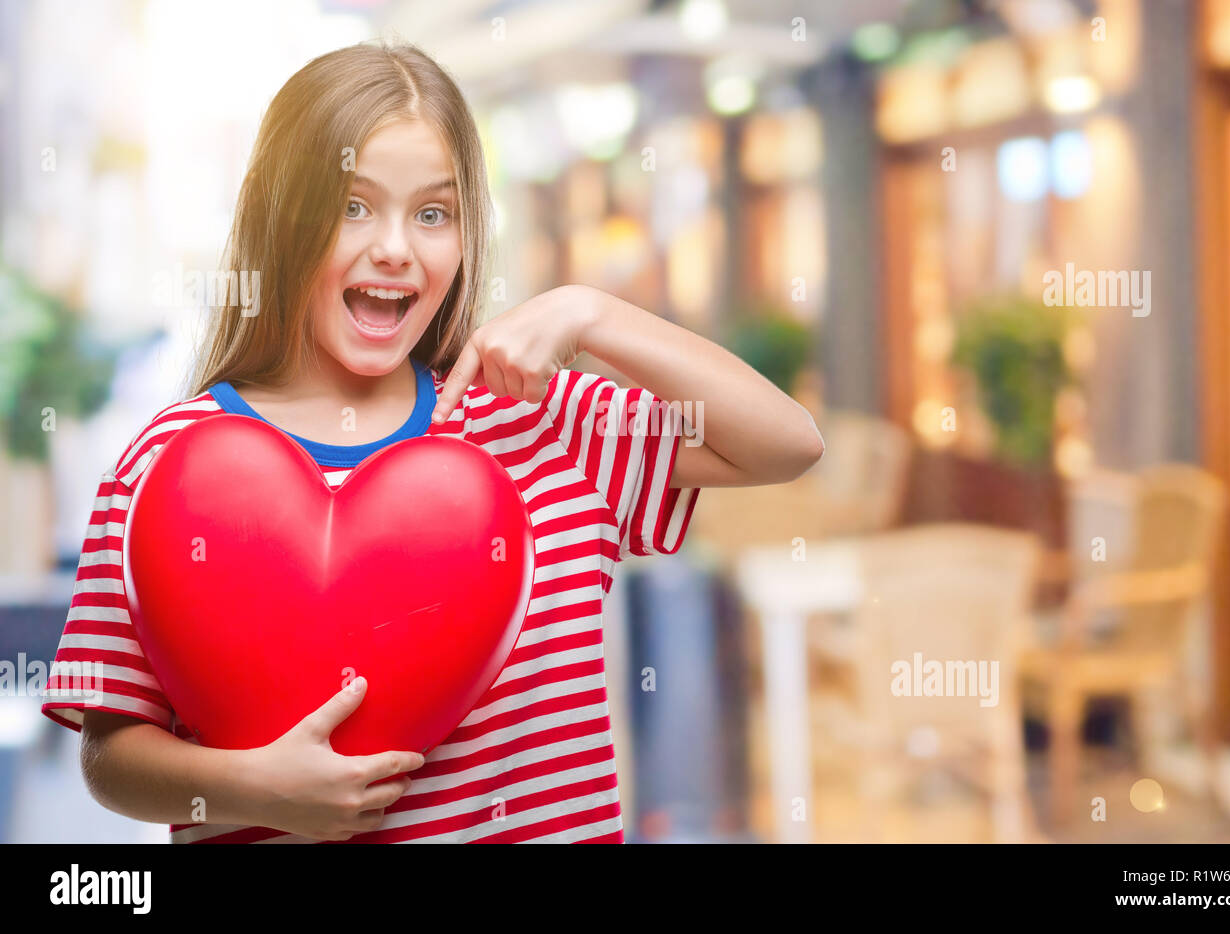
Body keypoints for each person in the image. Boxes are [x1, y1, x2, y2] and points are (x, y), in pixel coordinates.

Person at [40, 41, 824, 843]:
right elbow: (110, 752)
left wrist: (595, 313)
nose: (395, 247)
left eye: (433, 213)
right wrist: (251, 790)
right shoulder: (169, 467)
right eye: (353, 206)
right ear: (281, 218)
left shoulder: (534, 420)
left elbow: (787, 443)